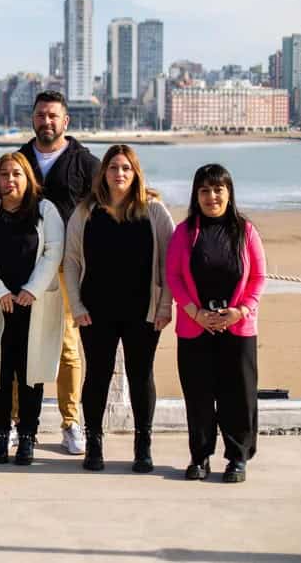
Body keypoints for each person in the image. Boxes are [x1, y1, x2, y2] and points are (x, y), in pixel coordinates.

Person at [63, 145, 174, 473]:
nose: (120, 174)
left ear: (135, 172)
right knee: (96, 375)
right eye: (113, 168)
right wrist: (76, 305)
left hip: (143, 310)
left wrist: (165, 306)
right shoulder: (86, 211)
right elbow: (70, 260)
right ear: (104, 173)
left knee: (141, 376)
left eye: (126, 168)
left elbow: (170, 262)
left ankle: (143, 446)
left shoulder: (153, 210)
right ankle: (93, 443)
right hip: (95, 311)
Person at [167, 164, 265, 483]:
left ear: (229, 193)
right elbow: (174, 276)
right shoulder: (184, 232)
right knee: (198, 394)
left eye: (218, 190)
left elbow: (259, 278)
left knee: (238, 394)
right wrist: (195, 312)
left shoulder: (245, 230)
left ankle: (237, 457)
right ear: (196, 195)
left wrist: (242, 310)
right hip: (196, 325)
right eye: (205, 191)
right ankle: (201, 455)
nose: (212, 197)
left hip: (237, 326)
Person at [0, 152, 64, 465]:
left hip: (33, 304)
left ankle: (27, 436)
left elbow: (53, 252)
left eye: (16, 174)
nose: (10, 181)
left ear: (28, 178)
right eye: (4, 175)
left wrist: (30, 290)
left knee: (31, 373)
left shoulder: (45, 211)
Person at [18, 90, 99, 456]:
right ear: (31, 119)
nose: (46, 121)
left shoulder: (85, 163)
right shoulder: (18, 160)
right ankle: (18, 423)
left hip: (67, 267)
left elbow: (107, 205)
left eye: (53, 116)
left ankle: (70, 422)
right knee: (20, 345)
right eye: (40, 115)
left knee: (67, 348)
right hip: (22, 266)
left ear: (65, 121)